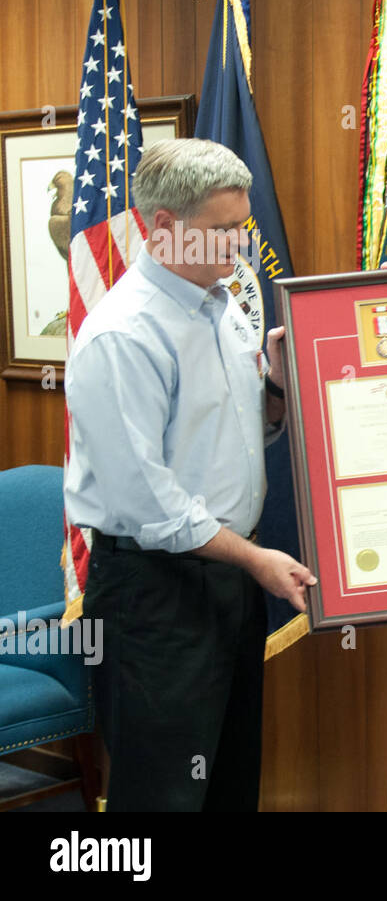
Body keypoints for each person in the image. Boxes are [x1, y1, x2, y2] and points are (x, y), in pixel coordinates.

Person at [64, 138, 316, 811]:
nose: (238, 246)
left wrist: (278, 390)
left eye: (244, 227)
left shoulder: (220, 306)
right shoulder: (125, 333)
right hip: (156, 594)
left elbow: (229, 435)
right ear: (165, 227)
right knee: (165, 796)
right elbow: (149, 503)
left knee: (229, 783)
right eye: (223, 231)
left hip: (226, 579)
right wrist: (257, 559)